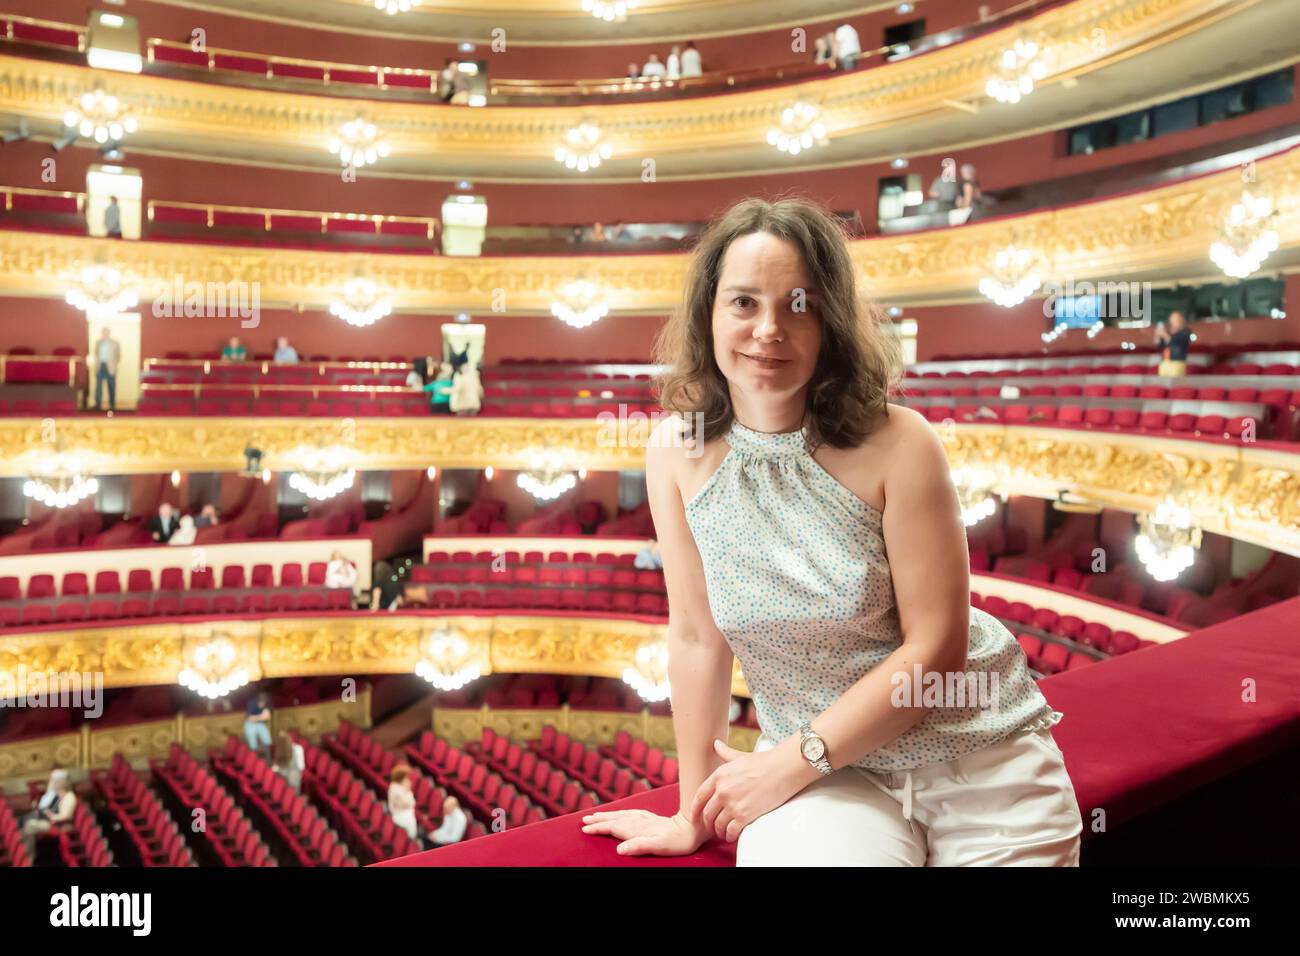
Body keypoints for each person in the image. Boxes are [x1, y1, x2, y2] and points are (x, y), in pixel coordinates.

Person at [580, 197, 1081, 866]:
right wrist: (692, 809)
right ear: (709, 313)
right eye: (744, 303)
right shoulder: (678, 449)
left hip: (976, 756)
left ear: (830, 321)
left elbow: (936, 649)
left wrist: (793, 760)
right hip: (829, 780)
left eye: (799, 305)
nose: (768, 330)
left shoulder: (902, 443)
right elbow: (698, 637)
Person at [21, 770, 76, 860]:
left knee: (29, 825)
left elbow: (66, 816)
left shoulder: (70, 796)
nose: (53, 783)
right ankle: (26, 855)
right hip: (48, 820)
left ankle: (29, 857)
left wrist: (51, 816)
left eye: (55, 781)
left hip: (58, 825)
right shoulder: (57, 794)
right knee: (24, 826)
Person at [90, 327, 121, 413]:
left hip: (110, 367)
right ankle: (98, 404)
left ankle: (112, 405)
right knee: (98, 387)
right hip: (100, 366)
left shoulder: (115, 343)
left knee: (111, 386)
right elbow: (96, 354)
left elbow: (118, 356)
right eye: (103, 332)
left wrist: (114, 365)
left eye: (106, 332)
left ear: (108, 333)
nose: (104, 334)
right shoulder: (98, 343)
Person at [388, 764, 420, 843]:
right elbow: (411, 803)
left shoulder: (394, 787)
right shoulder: (398, 790)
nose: (408, 779)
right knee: (410, 841)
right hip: (404, 819)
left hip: (401, 817)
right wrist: (409, 791)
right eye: (406, 777)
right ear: (402, 778)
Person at [1155, 311, 1193, 377]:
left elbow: (1176, 342)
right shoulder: (1168, 331)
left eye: (1175, 319)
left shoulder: (1186, 332)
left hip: (1177, 363)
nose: (1173, 321)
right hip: (1165, 362)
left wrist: (1164, 335)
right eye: (1172, 319)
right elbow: (1159, 345)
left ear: (1181, 320)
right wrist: (1158, 335)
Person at [244, 691, 272, 758]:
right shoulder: (252, 703)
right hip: (250, 723)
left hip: (260, 723)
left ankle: (268, 761)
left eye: (263, 704)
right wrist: (261, 716)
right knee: (252, 743)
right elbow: (249, 718)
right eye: (260, 703)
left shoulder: (268, 703)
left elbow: (268, 717)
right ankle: (254, 759)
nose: (261, 705)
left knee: (267, 741)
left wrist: (257, 717)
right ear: (257, 701)